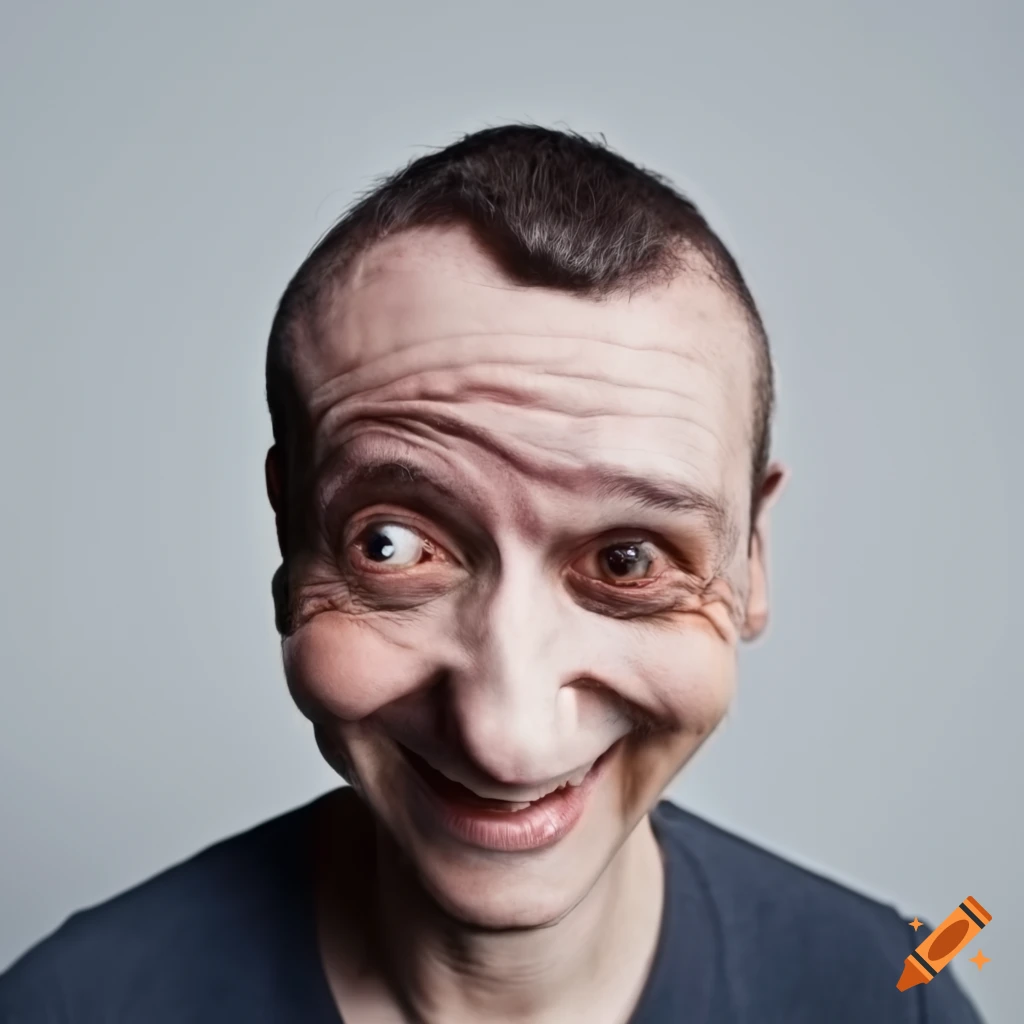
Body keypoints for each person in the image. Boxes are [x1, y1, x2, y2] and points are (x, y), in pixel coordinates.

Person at [0, 125, 985, 1024]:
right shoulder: (69, 1010)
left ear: (751, 558)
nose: (507, 742)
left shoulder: (891, 1000)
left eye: (627, 560)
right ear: (290, 532)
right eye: (392, 546)